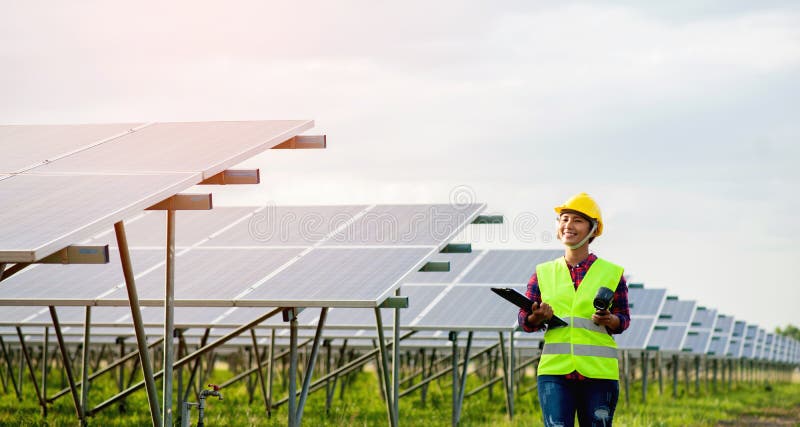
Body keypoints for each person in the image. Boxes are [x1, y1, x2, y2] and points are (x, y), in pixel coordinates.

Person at [518, 192, 630, 427]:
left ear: (593, 230)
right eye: (564, 219)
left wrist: (609, 320)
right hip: (555, 373)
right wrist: (536, 316)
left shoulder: (612, 273)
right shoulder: (543, 272)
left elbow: (624, 320)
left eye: (577, 220)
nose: (568, 225)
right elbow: (524, 321)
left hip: (599, 374)